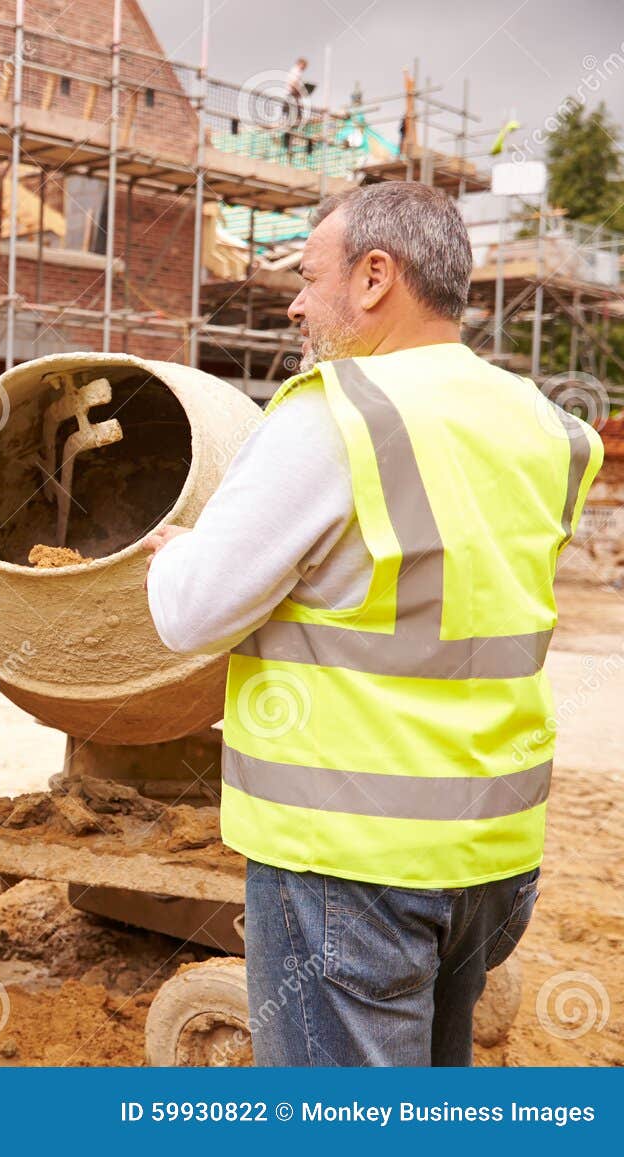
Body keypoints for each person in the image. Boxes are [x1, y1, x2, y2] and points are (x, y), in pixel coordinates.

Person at [143, 181, 604, 1066]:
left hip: (352, 859)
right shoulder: (545, 426)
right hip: (493, 852)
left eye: (311, 275)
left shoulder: (339, 416)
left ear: (375, 278)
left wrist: (178, 559)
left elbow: (193, 613)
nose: (295, 299)